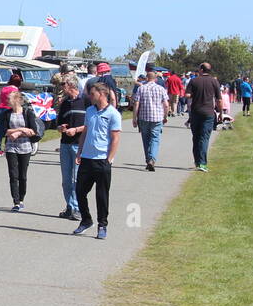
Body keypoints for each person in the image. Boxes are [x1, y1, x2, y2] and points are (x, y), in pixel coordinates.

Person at [73, 81, 121, 239]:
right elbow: (85, 133)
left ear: (102, 94)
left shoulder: (113, 114)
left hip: (102, 161)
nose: (89, 96)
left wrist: (110, 158)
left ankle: (102, 225)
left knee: (101, 196)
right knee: (80, 191)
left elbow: (115, 138)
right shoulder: (89, 111)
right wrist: (79, 152)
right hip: (87, 158)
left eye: (92, 93)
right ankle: (86, 220)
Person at [55, 77, 87, 220]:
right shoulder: (65, 103)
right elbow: (58, 124)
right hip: (65, 144)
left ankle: (77, 208)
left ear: (71, 85)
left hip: (78, 144)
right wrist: (60, 128)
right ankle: (70, 207)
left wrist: (76, 130)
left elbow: (90, 124)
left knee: (76, 179)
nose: (61, 87)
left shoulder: (86, 101)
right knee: (66, 180)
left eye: (63, 84)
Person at [2, 90, 40, 212]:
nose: (7, 101)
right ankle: (16, 201)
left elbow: (33, 131)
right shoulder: (7, 114)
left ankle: (22, 198)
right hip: (11, 147)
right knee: (13, 175)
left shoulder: (28, 113)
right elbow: (5, 131)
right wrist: (21, 130)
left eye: (9, 99)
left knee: (22, 175)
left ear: (17, 100)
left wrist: (18, 132)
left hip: (25, 147)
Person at [186, 61, 224, 171]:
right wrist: (221, 113)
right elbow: (219, 100)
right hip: (208, 113)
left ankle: (198, 161)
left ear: (201, 70)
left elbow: (187, 95)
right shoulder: (214, 82)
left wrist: (195, 94)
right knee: (204, 137)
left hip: (196, 112)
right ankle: (202, 163)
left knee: (196, 137)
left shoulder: (194, 81)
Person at [130, 65, 169, 171]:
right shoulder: (161, 89)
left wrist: (134, 118)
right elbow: (166, 104)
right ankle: (152, 159)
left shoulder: (141, 88)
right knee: (155, 139)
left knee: (145, 139)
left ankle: (148, 159)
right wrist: (165, 116)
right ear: (155, 79)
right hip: (157, 118)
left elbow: (136, 104)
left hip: (143, 117)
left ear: (147, 78)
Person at [0, 70, 23, 156]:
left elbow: (0, 99)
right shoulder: (15, 89)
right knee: (9, 129)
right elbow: (16, 101)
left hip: (0, 109)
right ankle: (7, 148)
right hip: (8, 109)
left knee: (0, 130)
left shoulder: (3, 88)